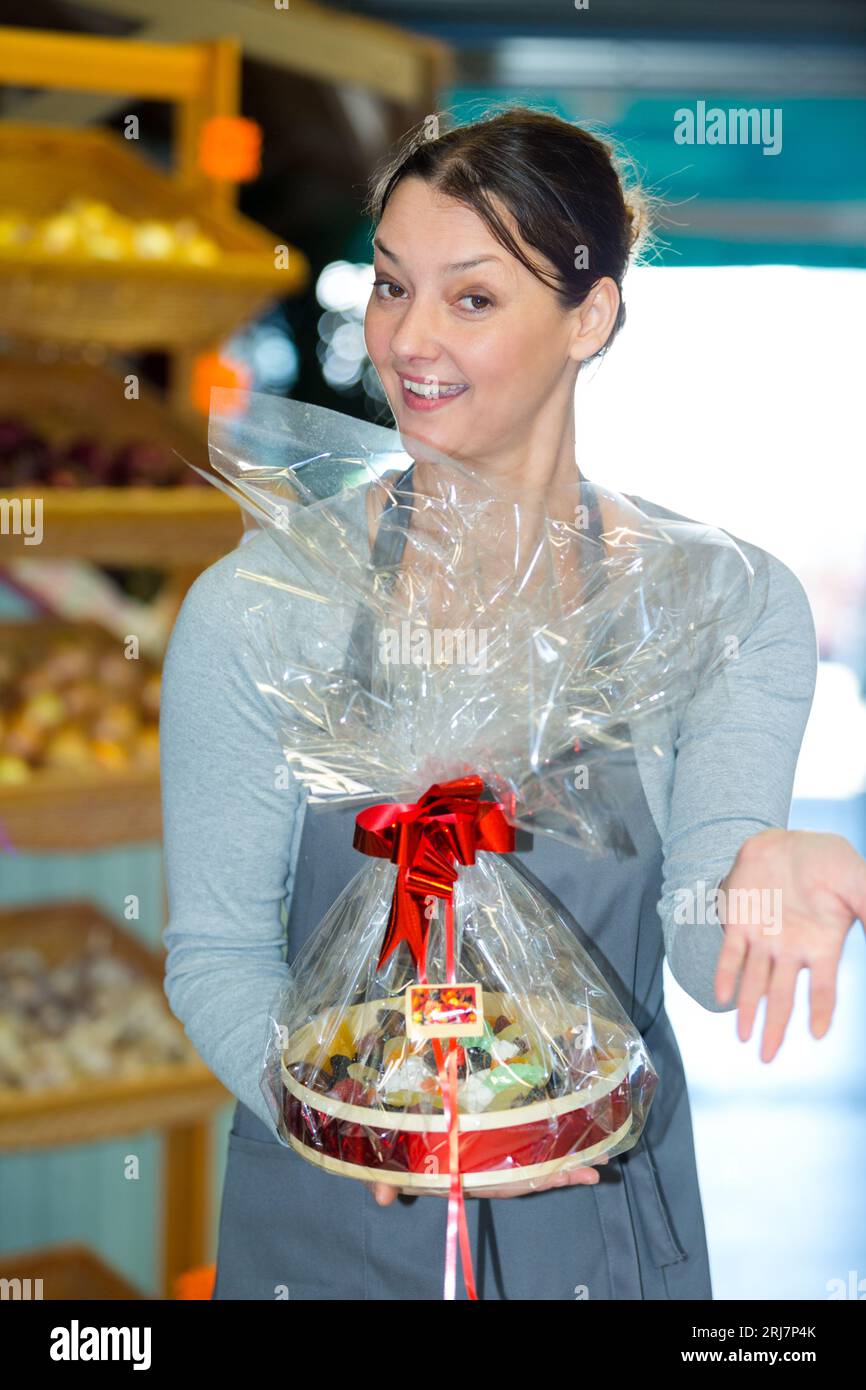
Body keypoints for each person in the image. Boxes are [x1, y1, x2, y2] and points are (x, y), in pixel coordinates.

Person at [160, 108, 866, 1300]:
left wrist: (760, 872)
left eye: (471, 298)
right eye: (390, 287)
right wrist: (360, 1123)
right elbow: (217, 954)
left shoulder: (716, 603)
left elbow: (694, 957)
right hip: (324, 1221)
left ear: (588, 316)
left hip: (589, 1231)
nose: (408, 339)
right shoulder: (264, 607)